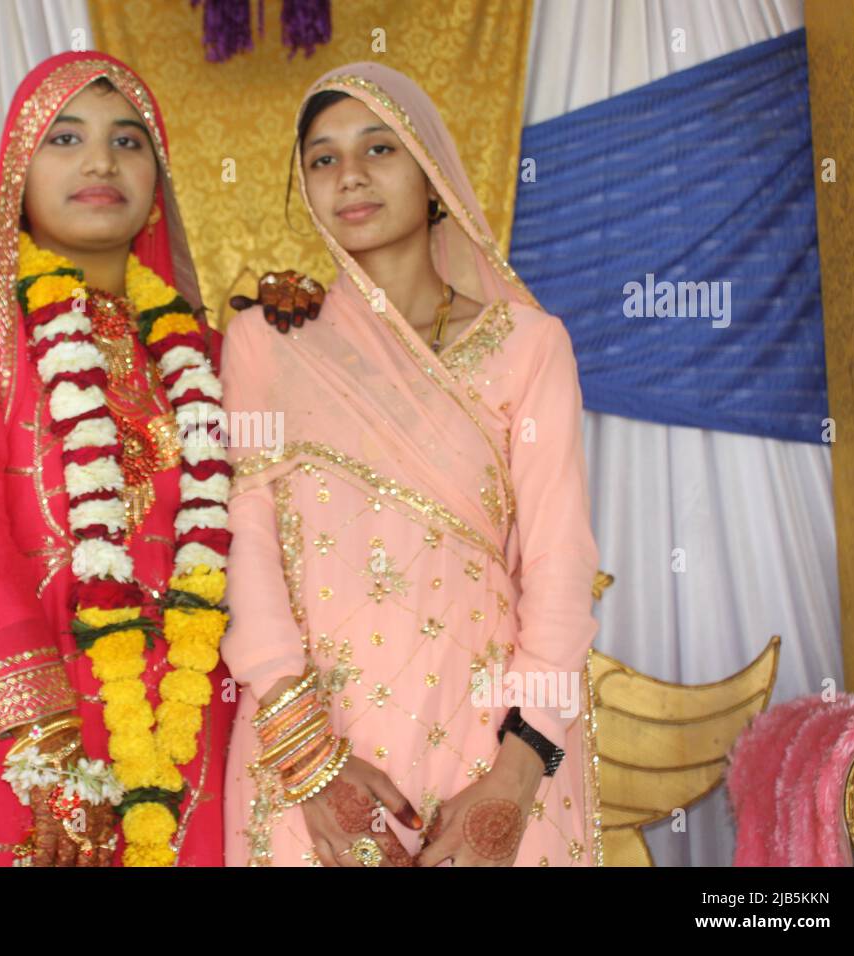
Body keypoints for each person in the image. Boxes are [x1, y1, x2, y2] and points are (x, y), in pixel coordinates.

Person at [0, 50, 320, 867]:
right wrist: (45, 740)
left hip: (179, 728)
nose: (98, 161)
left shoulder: (203, 355)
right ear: (17, 168)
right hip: (3, 724)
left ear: (157, 180)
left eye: (128, 141)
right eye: (65, 138)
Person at [220, 62, 602, 868]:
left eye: (379, 148)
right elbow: (244, 543)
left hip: (491, 742)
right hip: (309, 743)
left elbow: (560, 564)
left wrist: (519, 772)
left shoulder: (530, 347)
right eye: (322, 158)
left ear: (431, 175)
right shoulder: (267, 341)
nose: (349, 175)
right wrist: (307, 760)